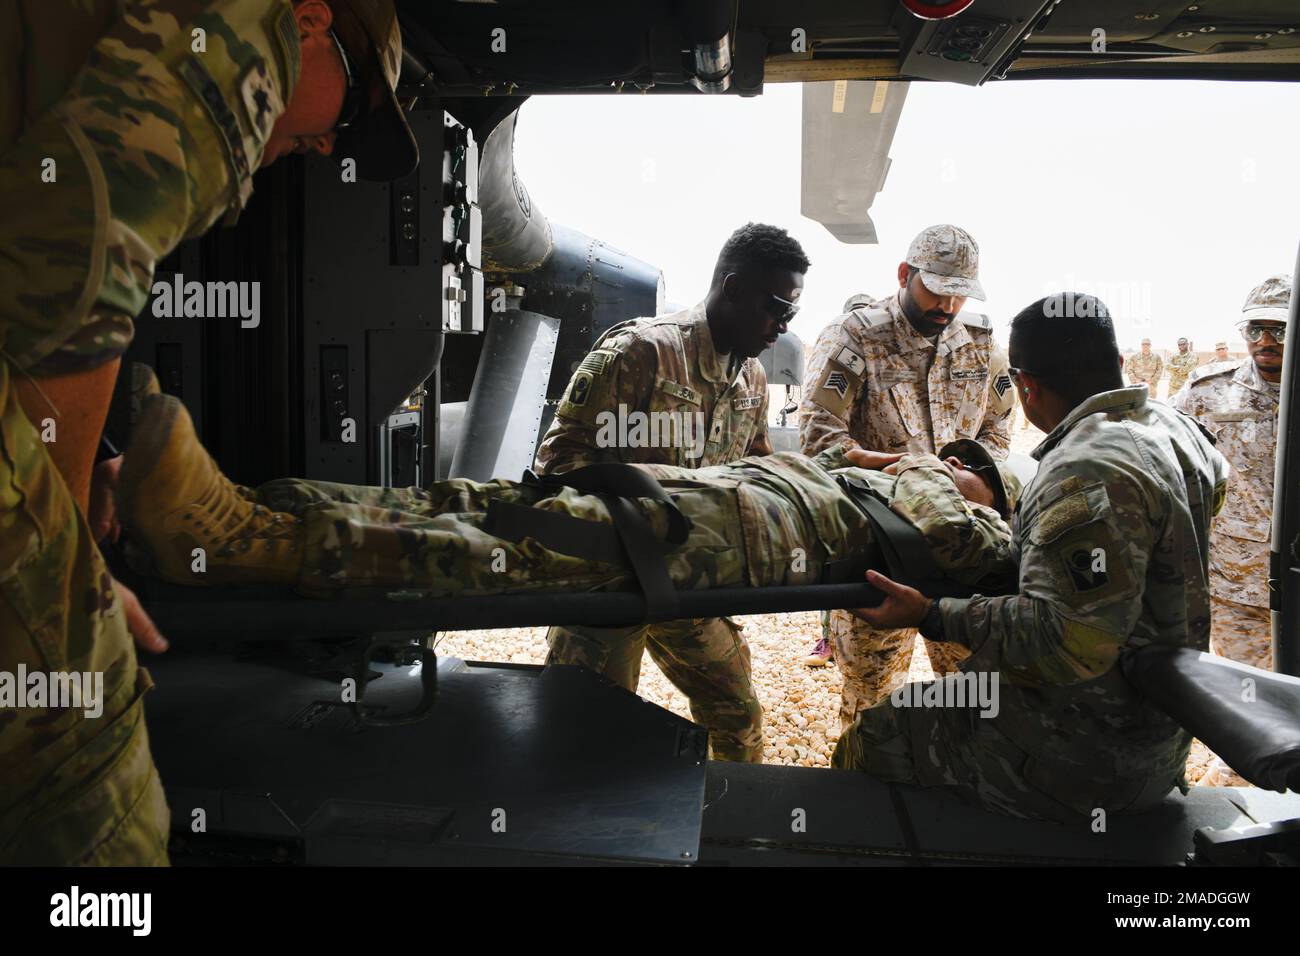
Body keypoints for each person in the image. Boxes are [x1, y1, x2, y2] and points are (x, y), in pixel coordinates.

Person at [0, 0, 417, 865]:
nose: (335, 142)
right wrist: (73, 563)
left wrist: (98, 452)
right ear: (308, 22)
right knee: (88, 785)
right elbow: (77, 260)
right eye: (350, 107)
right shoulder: (241, 30)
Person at [832, 293, 1229, 824]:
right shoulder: (1175, 428)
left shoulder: (1083, 469)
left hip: (1073, 759)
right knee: (952, 693)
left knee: (874, 735)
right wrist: (1001, 497)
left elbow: (1061, 641)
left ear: (1025, 385)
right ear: (1116, 362)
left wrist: (928, 612)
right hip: (1157, 737)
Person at [115, 386, 1021, 613]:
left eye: (975, 464)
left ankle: (237, 543)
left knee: (485, 551)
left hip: (721, 535)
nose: (954, 458)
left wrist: (930, 477)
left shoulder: (952, 505)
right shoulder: (895, 474)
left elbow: (962, 541)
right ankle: (245, 505)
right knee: (472, 505)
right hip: (690, 503)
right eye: (956, 455)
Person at [526, 223, 806, 762]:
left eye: (791, 313)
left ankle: (732, 827)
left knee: (738, 717)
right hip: (612, 583)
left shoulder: (750, 379)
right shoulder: (642, 351)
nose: (782, 327)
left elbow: (756, 469)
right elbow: (558, 464)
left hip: (689, 584)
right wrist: (638, 511)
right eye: (776, 308)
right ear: (733, 288)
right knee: (581, 736)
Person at [798, 224, 1014, 727]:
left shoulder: (980, 345)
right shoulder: (853, 336)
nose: (948, 306)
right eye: (936, 289)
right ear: (904, 274)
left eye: (960, 294)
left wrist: (979, 479)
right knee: (870, 701)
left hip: (965, 553)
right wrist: (903, 475)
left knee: (971, 695)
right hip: (882, 550)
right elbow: (820, 443)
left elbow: (999, 424)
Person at [1173, 276, 1289, 672]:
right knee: (1252, 702)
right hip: (1235, 583)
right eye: (1256, 329)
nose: (1265, 340)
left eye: (1279, 328)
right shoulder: (1208, 391)